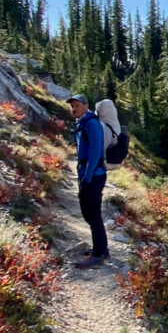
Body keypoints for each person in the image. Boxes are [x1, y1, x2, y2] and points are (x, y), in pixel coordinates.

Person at [67, 93, 109, 268]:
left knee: (92, 214)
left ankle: (99, 254)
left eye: (77, 105)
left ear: (86, 105)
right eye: (73, 106)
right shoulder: (83, 123)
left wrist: (88, 177)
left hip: (94, 175)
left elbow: (95, 152)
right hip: (89, 174)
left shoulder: (91, 124)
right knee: (91, 214)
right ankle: (101, 249)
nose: (74, 109)